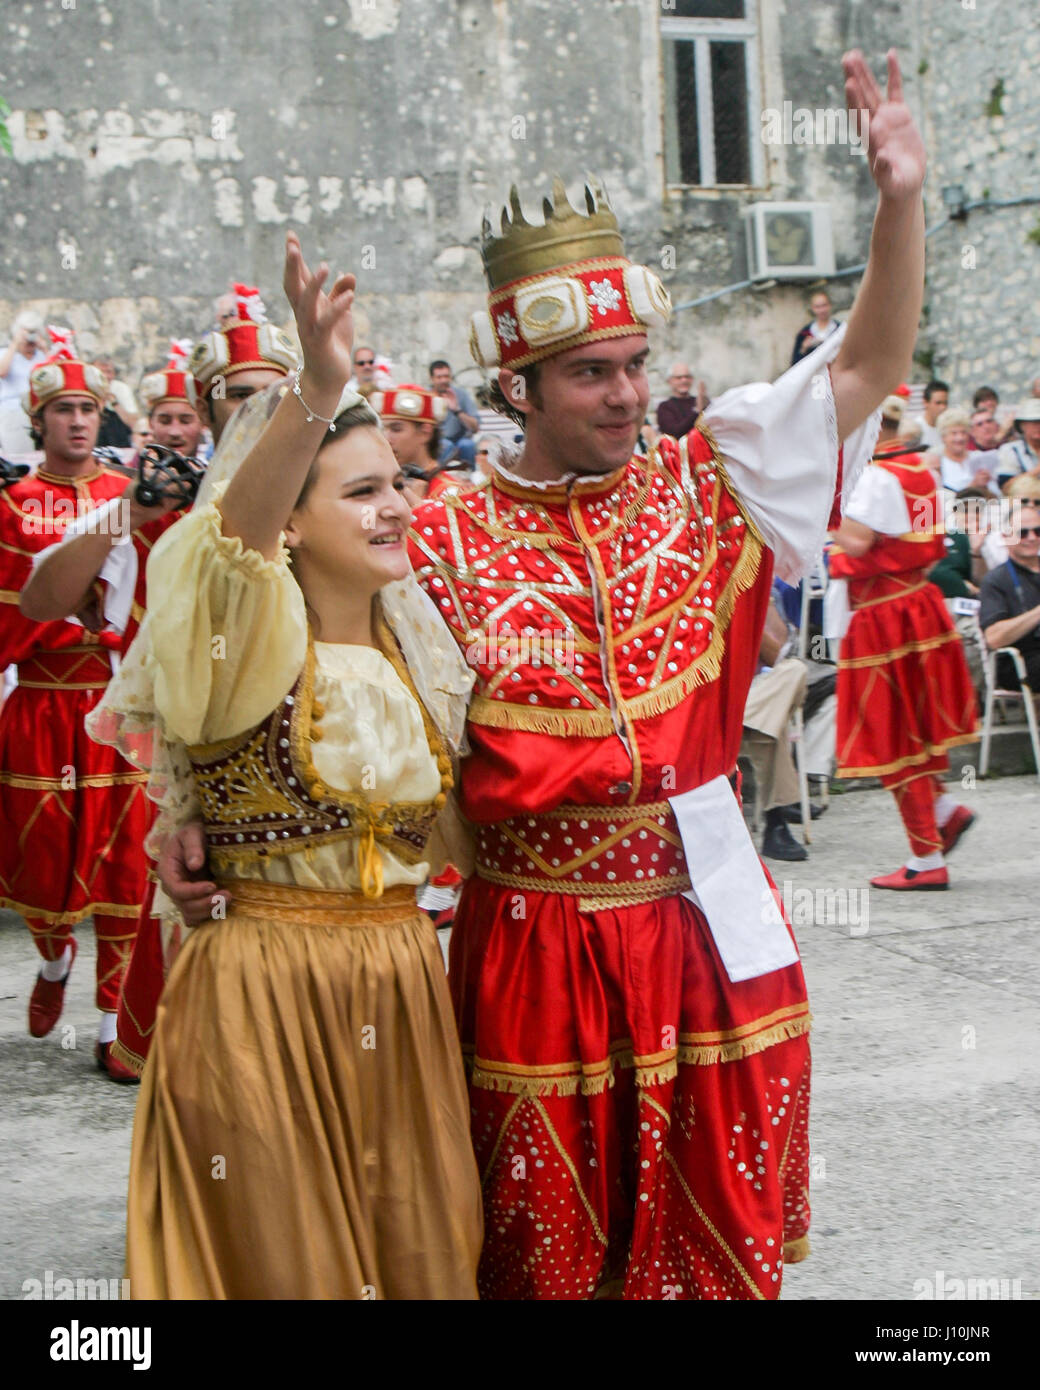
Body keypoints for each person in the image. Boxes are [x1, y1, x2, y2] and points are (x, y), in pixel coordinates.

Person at [162, 47, 928, 1301]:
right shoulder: (433, 538)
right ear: (515, 387)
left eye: (634, 364)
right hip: (528, 937)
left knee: (709, 1252)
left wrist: (898, 202)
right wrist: (195, 816)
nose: (626, 395)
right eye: (589, 373)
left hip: (703, 917)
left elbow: (860, 372)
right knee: (543, 1257)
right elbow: (263, 649)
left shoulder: (711, 476)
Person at [87, 232, 482, 1299]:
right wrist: (314, 390)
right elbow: (227, 551)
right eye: (358, 492)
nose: (394, 507)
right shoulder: (246, 647)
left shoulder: (417, 654)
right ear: (292, 525)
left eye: (395, 483)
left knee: (422, 1262)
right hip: (266, 991)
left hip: (400, 989)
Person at [22, 292, 297, 1075]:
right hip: (199, 782)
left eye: (274, 391)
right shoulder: (163, 509)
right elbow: (42, 598)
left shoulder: (333, 495)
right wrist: (130, 515)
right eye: (239, 394)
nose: (258, 408)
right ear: (207, 412)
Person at [0, 334, 154, 1079]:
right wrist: (68, 607)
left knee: (127, 861)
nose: (79, 421)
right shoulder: (12, 504)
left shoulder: (132, 494)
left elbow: (155, 592)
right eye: (63, 409)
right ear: (40, 420)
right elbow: (10, 610)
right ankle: (54, 958)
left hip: (117, 705)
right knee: (43, 864)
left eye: (88, 408)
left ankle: (112, 1019)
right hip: (40, 704)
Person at [830, 396, 978, 890]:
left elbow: (855, 541)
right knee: (914, 727)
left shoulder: (875, 477)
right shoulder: (922, 470)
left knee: (891, 734)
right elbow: (929, 551)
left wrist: (821, 515)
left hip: (882, 617)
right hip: (918, 607)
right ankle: (945, 810)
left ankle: (926, 859)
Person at [741, 599, 811, 863]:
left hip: (759, 696)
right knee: (771, 728)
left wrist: (752, 608)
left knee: (795, 669)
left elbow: (777, 655)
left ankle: (749, 719)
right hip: (714, 703)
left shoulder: (761, 593)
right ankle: (776, 823)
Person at [978, 498, 1040, 694]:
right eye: (1022, 533)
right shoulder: (996, 580)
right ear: (1006, 537)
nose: (1032, 538)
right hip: (1021, 660)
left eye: (1038, 531)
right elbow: (994, 638)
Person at [375, 383, 454, 500]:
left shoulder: (450, 494)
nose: (386, 439)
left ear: (425, 433)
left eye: (396, 429)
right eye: (383, 429)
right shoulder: (378, 486)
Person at [0, 311, 48, 456]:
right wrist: (15, 343)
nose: (30, 340)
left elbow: (56, 374)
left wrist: (45, 348)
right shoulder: (6, 353)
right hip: (13, 411)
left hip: (38, 411)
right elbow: (2, 372)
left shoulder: (42, 356)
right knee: (18, 455)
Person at [931, 407, 1000, 494]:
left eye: (963, 432)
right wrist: (974, 485)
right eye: (954, 433)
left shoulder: (979, 457)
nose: (960, 438)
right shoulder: (939, 463)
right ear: (943, 437)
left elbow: (996, 492)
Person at [429, 359, 479, 465]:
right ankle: (440, 473)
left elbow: (475, 427)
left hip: (461, 439)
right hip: (435, 441)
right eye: (439, 377)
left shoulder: (462, 395)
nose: (443, 380)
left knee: (467, 445)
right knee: (445, 445)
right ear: (432, 379)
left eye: (446, 376)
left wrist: (457, 410)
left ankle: (470, 474)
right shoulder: (426, 396)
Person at [655, 362, 708, 439]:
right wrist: (697, 410)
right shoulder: (665, 407)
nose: (684, 380)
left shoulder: (702, 401)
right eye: (678, 378)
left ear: (692, 379)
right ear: (669, 381)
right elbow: (674, 433)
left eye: (687, 377)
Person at [996, 400, 1040, 490]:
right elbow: (1006, 487)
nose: (1038, 427)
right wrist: (1036, 471)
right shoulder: (1011, 450)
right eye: (1034, 423)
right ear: (1022, 425)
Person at [790, 290, 841, 364]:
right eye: (817, 307)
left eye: (824, 305)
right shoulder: (804, 333)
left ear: (830, 305)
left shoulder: (840, 330)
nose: (822, 310)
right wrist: (804, 349)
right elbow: (795, 364)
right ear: (812, 308)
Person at [907, 379, 949, 451]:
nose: (943, 407)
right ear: (925, 403)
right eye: (938, 403)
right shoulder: (915, 428)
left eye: (945, 403)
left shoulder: (948, 429)